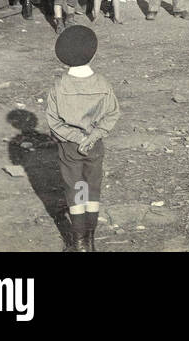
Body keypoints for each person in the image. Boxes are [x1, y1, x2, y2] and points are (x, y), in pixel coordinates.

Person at [46, 24, 120, 252]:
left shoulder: (59, 87)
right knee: (92, 188)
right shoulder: (103, 84)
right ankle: (91, 239)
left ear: (62, 59)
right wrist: (93, 136)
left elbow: (54, 122)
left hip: (70, 147)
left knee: (76, 188)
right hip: (95, 146)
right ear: (94, 54)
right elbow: (113, 113)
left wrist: (77, 137)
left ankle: (79, 244)